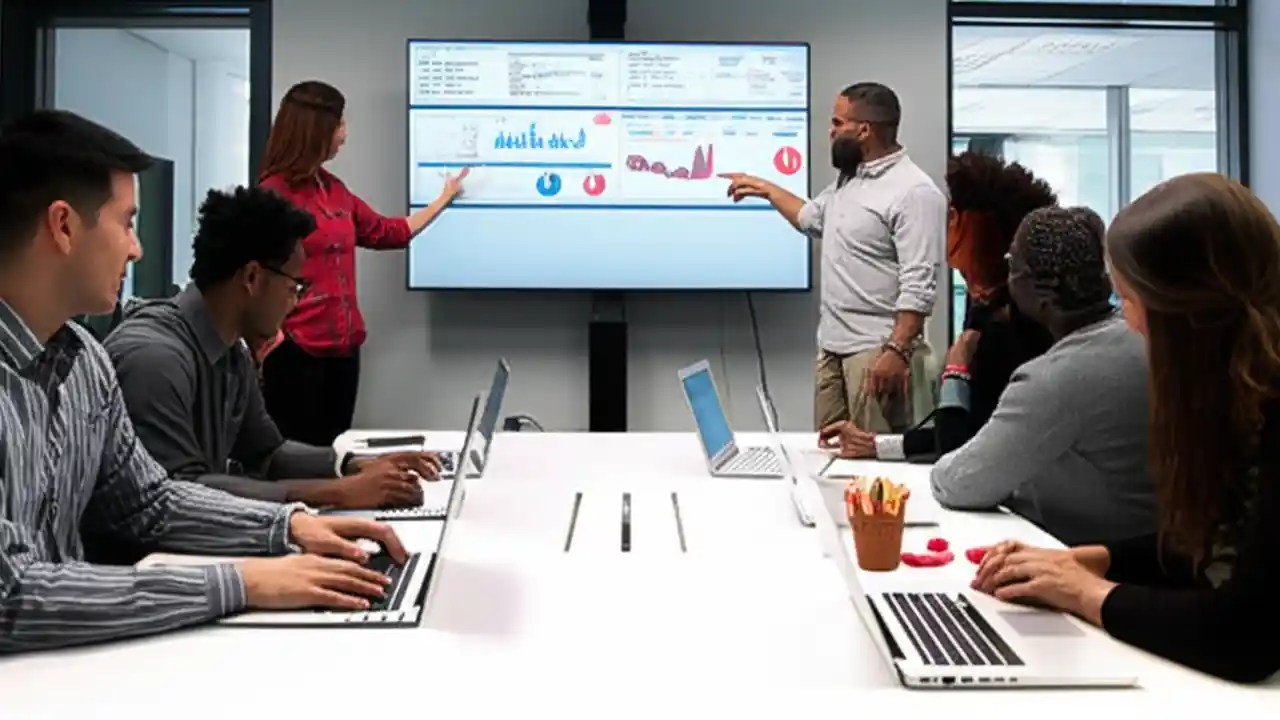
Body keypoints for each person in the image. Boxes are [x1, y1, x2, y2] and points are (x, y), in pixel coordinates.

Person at [0, 109, 412, 654]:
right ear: (64, 226)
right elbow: (9, 596)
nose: (136, 248)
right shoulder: (144, 354)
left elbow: (148, 502)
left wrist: (287, 527)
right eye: (127, 222)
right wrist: (241, 582)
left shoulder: (84, 363)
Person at [973, 173, 1280, 684]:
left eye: (1131, 304)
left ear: (1187, 315)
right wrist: (1089, 560)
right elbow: (1220, 545)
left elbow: (1246, 636)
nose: (1131, 327)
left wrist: (1085, 592)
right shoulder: (1244, 394)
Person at [105, 185, 441, 509]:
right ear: (252, 278)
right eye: (295, 286)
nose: (295, 302)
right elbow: (181, 493)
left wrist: (353, 465)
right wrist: (338, 492)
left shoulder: (231, 350)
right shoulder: (154, 360)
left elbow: (267, 453)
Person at [721, 82, 946, 434]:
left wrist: (897, 350)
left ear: (864, 130)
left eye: (838, 123)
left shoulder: (914, 192)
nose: (831, 131)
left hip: (876, 351)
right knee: (829, 455)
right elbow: (810, 217)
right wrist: (764, 188)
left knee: (872, 463)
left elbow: (919, 284)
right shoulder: (850, 180)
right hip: (831, 348)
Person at [257, 80, 468, 446]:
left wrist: (444, 199)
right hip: (296, 353)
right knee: (299, 459)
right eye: (340, 124)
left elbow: (389, 232)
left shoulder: (334, 188)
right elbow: (253, 275)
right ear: (317, 130)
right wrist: (268, 336)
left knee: (333, 453)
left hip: (344, 351)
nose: (345, 133)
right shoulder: (272, 195)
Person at [928, 206, 1155, 546]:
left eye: (1013, 265)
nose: (1007, 277)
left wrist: (956, 369)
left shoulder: (1055, 378)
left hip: (1091, 563)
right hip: (1159, 554)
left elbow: (959, 483)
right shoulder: (1144, 339)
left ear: (1040, 290)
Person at [819, 151, 1057, 461]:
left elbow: (961, 444)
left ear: (958, 221)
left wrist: (956, 371)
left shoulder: (1014, 323)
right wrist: (875, 446)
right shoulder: (985, 304)